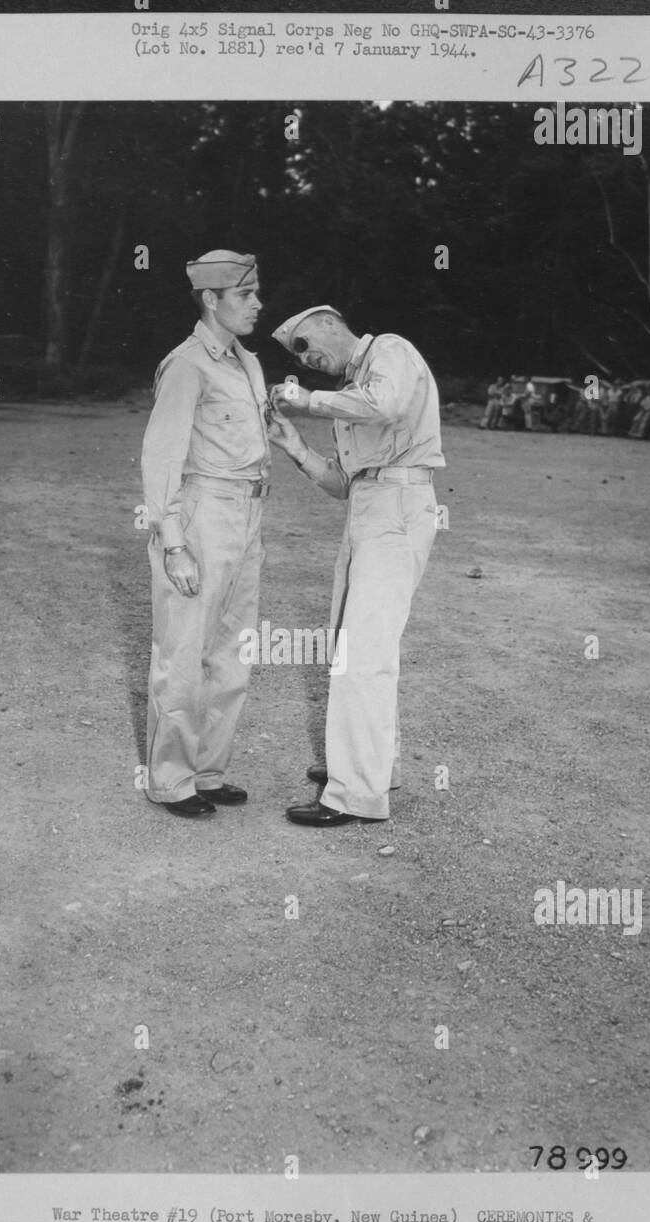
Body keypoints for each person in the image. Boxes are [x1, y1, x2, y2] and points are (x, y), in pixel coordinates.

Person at [266, 305, 443, 826]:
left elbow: (383, 404)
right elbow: (345, 482)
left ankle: (356, 795)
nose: (305, 360)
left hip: (397, 506)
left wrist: (306, 399)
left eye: (304, 345)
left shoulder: (390, 349)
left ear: (329, 323)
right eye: (296, 357)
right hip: (369, 508)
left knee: (364, 656)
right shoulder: (350, 393)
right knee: (354, 649)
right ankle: (371, 768)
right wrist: (296, 447)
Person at [139, 250, 269, 817]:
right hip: (202, 514)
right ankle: (172, 780)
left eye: (256, 292)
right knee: (183, 653)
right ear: (211, 300)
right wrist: (174, 543)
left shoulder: (247, 362)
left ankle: (209, 772)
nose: (257, 304)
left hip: (247, 513)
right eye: (246, 294)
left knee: (232, 653)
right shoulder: (187, 365)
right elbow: (161, 457)